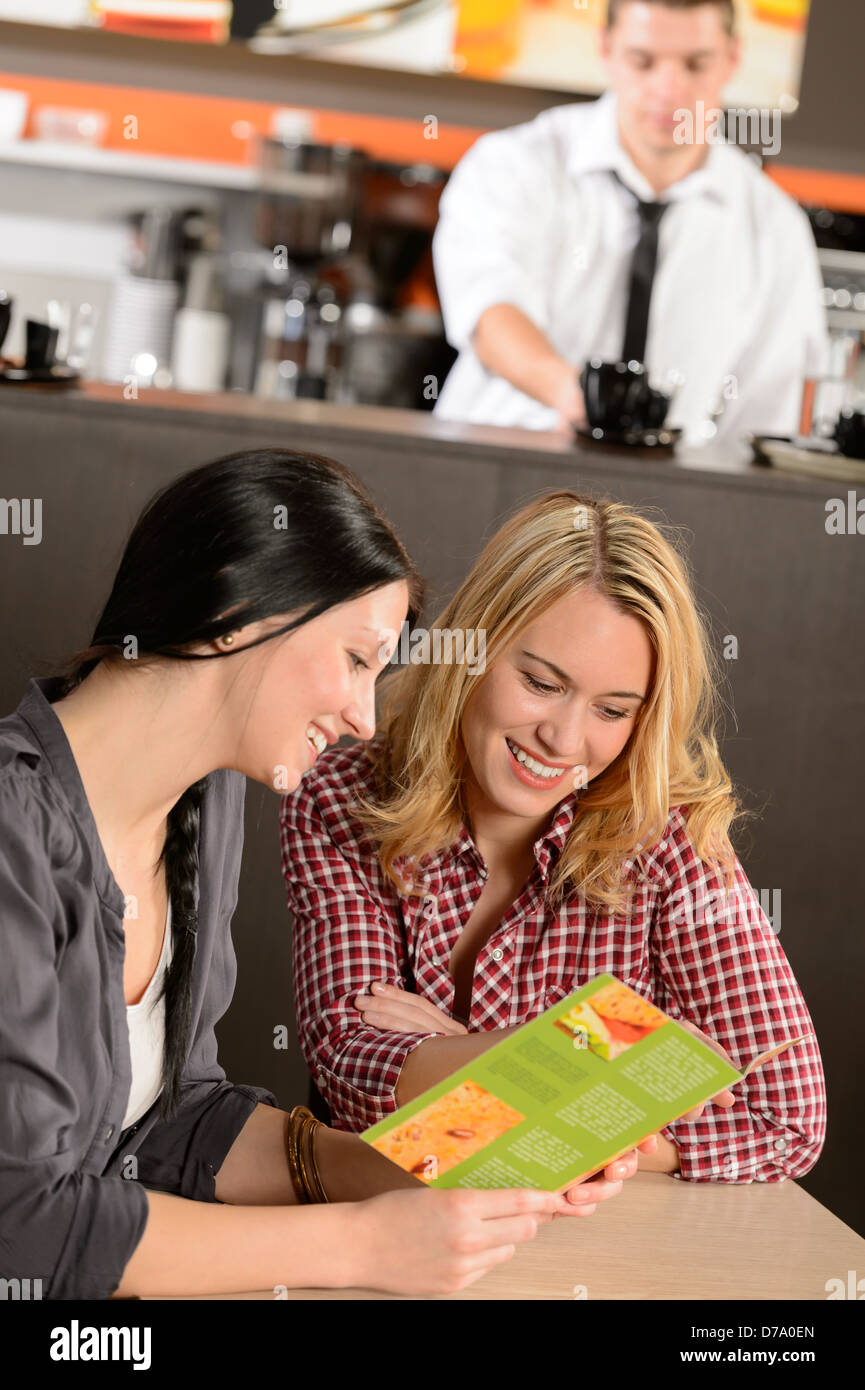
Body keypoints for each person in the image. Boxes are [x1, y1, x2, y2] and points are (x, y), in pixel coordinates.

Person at [0, 448, 655, 1302]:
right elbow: (21, 1226)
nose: (362, 717)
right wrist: (360, 1245)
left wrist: (415, 1168)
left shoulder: (203, 807)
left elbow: (172, 1123)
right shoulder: (14, 831)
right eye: (355, 659)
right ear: (238, 612)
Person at [281, 489, 826, 1183]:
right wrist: (608, 1066)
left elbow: (785, 1118)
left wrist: (469, 1056)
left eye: (611, 709)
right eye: (540, 683)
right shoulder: (340, 793)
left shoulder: (670, 838)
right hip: (394, 1236)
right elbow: (351, 1077)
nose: (564, 739)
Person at [431, 0, 829, 446]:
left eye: (696, 64)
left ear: (733, 58)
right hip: (499, 465)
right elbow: (491, 315)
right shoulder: (514, 164)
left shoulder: (775, 227)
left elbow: (771, 409)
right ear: (605, 49)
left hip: (666, 502)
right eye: (643, 61)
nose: (668, 88)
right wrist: (577, 396)